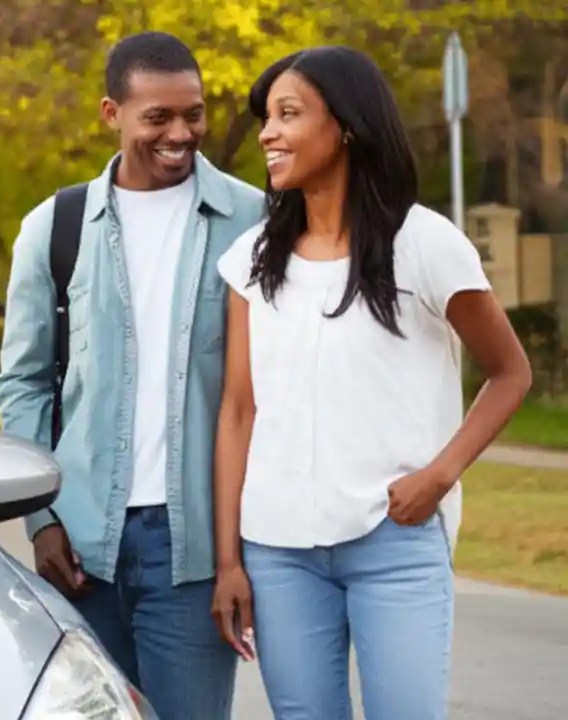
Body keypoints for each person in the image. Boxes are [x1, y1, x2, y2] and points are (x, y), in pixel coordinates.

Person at [210, 46, 532, 719]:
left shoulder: (425, 243)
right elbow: (239, 411)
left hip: (395, 538)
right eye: (266, 117)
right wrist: (228, 562)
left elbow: (510, 372)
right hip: (278, 551)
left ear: (348, 125)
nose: (268, 132)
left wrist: (440, 476)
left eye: (289, 113)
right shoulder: (251, 259)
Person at [0, 31, 265, 720]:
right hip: (81, 546)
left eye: (194, 115)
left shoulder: (253, 222)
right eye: (159, 118)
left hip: (196, 549)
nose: (181, 134)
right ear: (111, 113)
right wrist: (41, 519)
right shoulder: (52, 229)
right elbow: (25, 383)